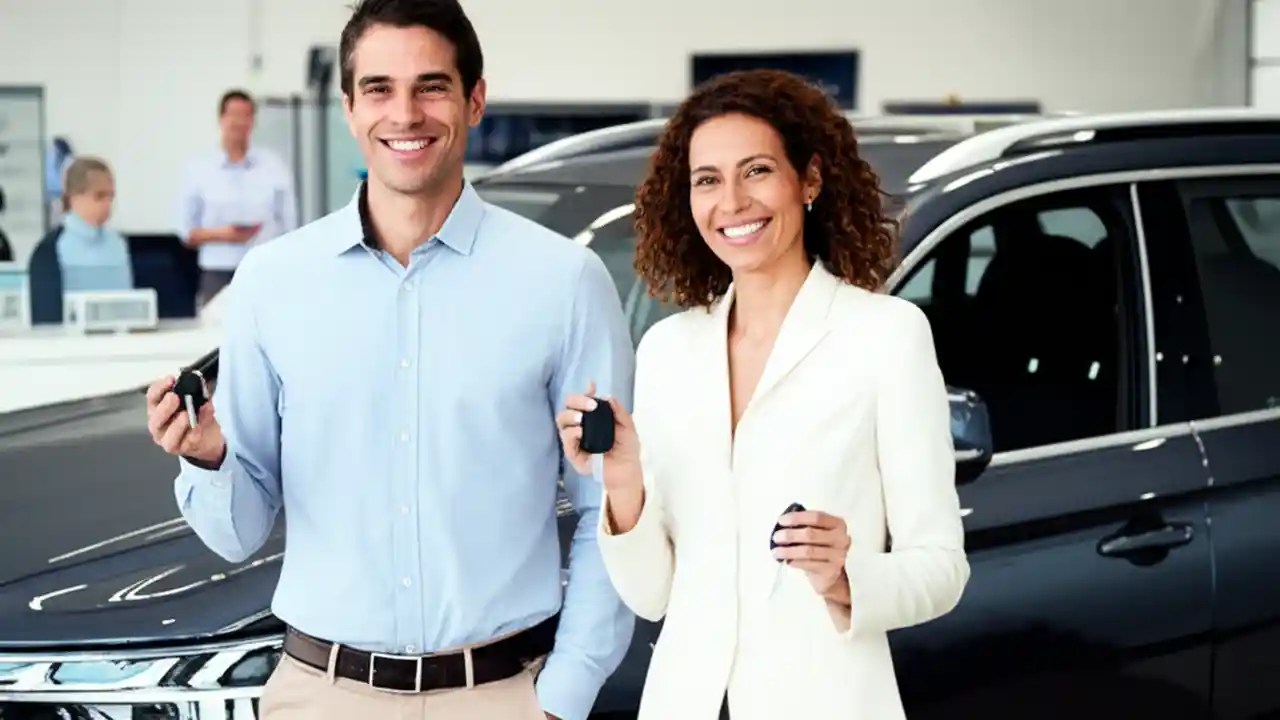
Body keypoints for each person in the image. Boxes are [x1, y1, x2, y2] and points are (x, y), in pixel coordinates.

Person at [143, 1, 635, 718]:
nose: (404, 113)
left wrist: (564, 694)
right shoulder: (274, 282)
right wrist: (209, 458)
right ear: (348, 107)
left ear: (474, 100)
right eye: (378, 88)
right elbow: (235, 534)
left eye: (431, 86)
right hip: (321, 695)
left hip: (501, 696)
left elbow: (608, 511)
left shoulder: (563, 282)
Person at [556, 69, 971, 720]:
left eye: (756, 171)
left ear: (808, 181)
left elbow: (942, 569)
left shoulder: (886, 337)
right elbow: (654, 596)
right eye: (708, 180)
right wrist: (625, 483)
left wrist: (846, 575)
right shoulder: (668, 352)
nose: (733, 202)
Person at [175, 88, 298, 307]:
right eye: (234, 115)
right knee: (216, 336)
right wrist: (225, 234)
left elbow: (290, 225)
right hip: (218, 272)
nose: (241, 122)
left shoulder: (273, 166)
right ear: (221, 119)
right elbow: (186, 232)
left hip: (264, 270)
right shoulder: (199, 169)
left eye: (247, 115)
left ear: (253, 121)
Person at [54, 157, 133, 292]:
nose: (107, 204)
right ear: (74, 197)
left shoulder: (117, 244)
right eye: (100, 196)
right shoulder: (56, 248)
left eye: (111, 196)